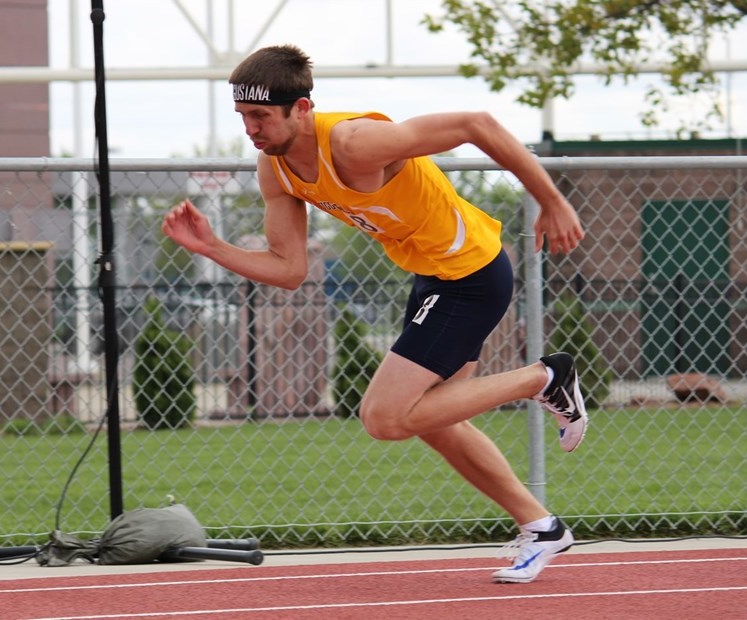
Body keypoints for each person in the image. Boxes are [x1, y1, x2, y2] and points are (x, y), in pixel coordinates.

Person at [163, 44, 587, 584]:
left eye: (261, 116)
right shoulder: (276, 170)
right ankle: (541, 525)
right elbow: (290, 269)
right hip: (433, 276)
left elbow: (475, 123)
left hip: (471, 275)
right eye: (243, 117)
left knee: (384, 418)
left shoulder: (356, 143)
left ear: (301, 108)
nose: (251, 129)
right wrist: (211, 248)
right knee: (434, 418)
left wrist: (550, 199)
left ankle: (545, 377)